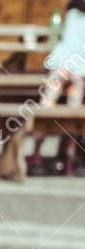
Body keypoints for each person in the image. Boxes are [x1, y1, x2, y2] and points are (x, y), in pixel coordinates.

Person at [31, 0, 85, 174]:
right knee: (73, 111)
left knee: (47, 103)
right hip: (78, 69)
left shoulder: (70, 14)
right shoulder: (71, 15)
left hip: (62, 65)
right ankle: (69, 158)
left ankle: (37, 150)